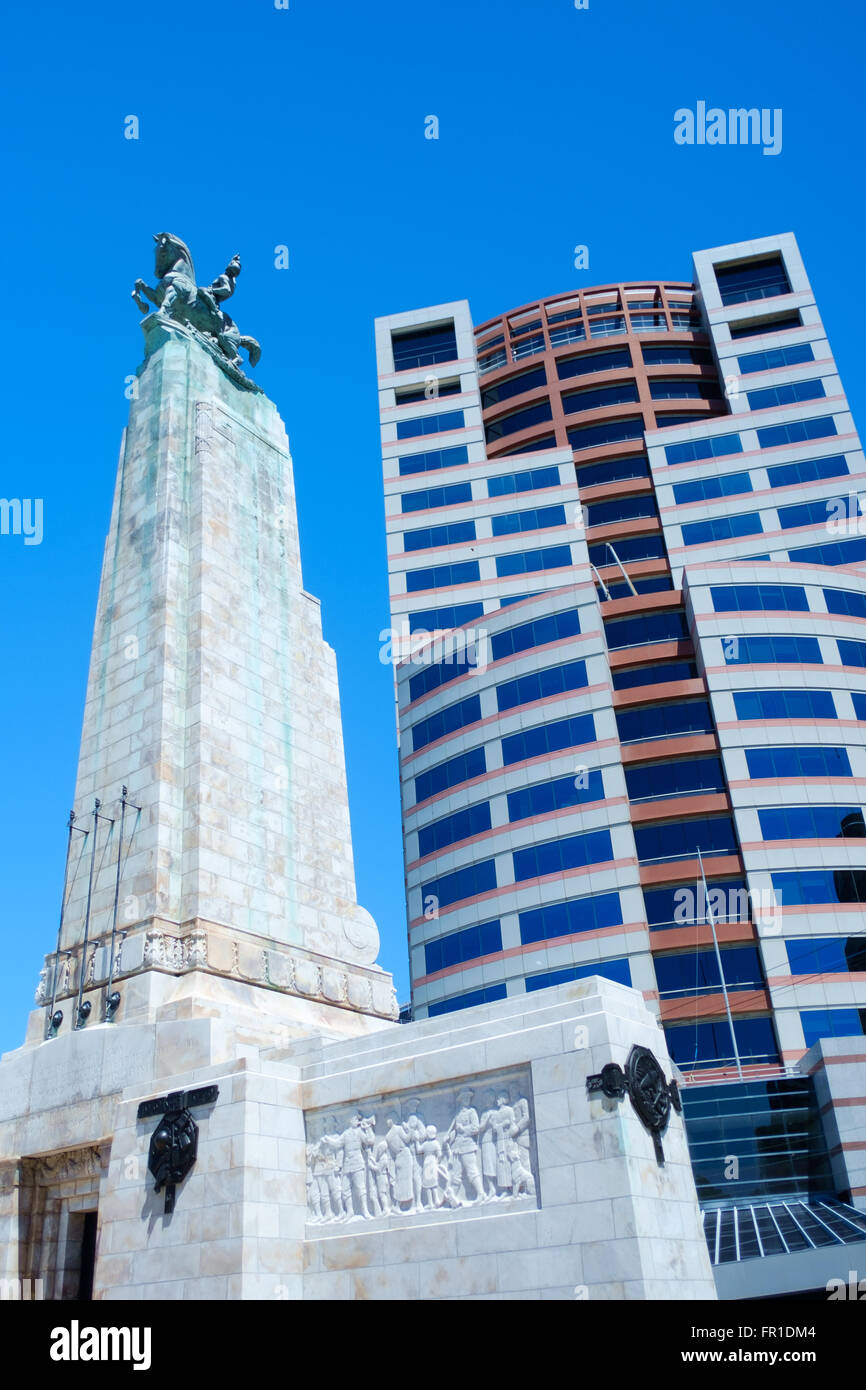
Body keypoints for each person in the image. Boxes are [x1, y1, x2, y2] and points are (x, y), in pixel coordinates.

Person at [445, 1089, 485, 1203]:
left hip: (468, 1145)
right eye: (465, 1098)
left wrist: (464, 1129)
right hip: (457, 1147)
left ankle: (481, 1194)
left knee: (472, 1171)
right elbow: (455, 1131)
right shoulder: (457, 1113)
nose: (467, 1100)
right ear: (461, 1100)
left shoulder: (472, 1112)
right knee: (456, 1174)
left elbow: (475, 1128)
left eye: (468, 1097)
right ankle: (452, 1199)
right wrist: (449, 1137)